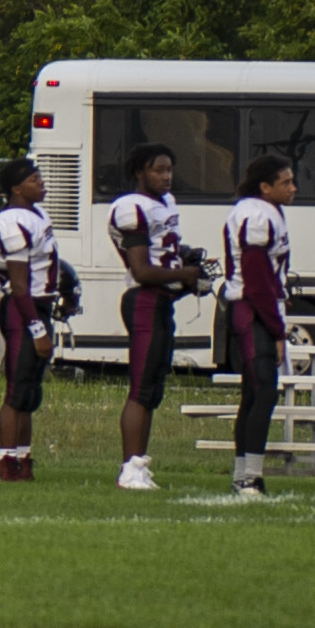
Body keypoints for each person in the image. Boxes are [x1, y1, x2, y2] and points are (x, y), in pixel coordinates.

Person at [104, 141, 198, 492]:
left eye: (169, 169)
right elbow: (142, 270)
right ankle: (129, 468)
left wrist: (186, 264)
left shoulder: (166, 202)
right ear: (139, 172)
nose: (166, 176)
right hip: (144, 299)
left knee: (153, 389)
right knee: (141, 388)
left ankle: (140, 465)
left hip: (161, 300)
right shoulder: (130, 207)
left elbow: (165, 250)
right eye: (158, 170)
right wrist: (184, 274)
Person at [219, 152, 298, 498]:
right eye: (286, 182)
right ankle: (249, 477)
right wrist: (276, 327)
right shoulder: (256, 214)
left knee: (255, 393)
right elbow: (255, 276)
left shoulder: (266, 211)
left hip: (255, 307)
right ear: (265, 187)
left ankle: (245, 475)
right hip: (251, 309)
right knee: (263, 391)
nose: (293, 188)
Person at [0, 157, 57, 482]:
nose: (41, 183)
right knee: (16, 391)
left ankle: (24, 458)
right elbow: (19, 284)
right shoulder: (12, 220)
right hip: (22, 309)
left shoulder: (36, 214)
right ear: (16, 187)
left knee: (29, 392)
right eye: (33, 179)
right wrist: (37, 329)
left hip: (36, 305)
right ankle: (7, 462)